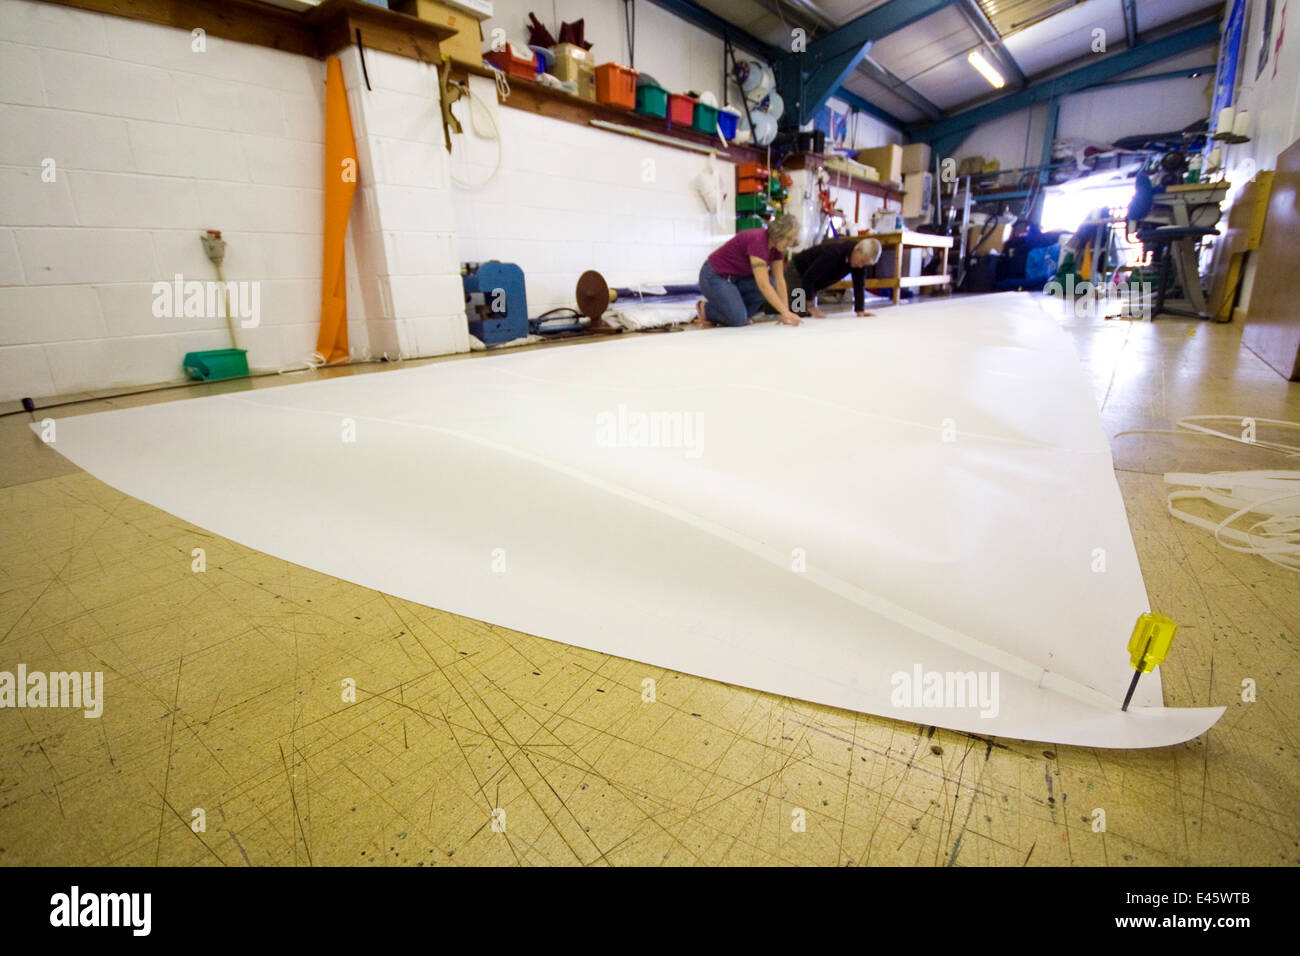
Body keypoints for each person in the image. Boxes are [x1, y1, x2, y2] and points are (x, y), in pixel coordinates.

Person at [695, 215, 803, 327]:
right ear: (779, 232)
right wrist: (785, 312)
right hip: (714, 276)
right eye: (788, 239)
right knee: (738, 320)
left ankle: (734, 313)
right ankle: (705, 309)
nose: (790, 244)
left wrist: (785, 313)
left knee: (772, 283)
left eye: (793, 240)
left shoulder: (776, 249)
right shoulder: (758, 240)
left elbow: (780, 281)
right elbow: (763, 285)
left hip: (735, 280)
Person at [788, 237, 883, 317]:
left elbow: (859, 284)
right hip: (797, 272)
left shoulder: (858, 262)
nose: (860, 266)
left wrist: (860, 310)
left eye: (864, 264)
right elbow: (809, 278)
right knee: (798, 312)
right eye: (861, 261)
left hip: (812, 282)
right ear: (857, 249)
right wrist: (810, 305)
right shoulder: (834, 254)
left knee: (809, 315)